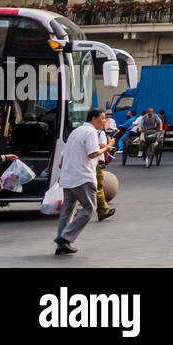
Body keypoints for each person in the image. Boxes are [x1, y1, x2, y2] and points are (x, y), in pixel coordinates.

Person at [52, 108, 114, 255]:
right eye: (103, 118)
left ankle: (62, 243)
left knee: (67, 211)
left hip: (68, 176)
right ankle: (65, 238)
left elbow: (63, 157)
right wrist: (107, 148)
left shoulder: (76, 131)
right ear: (93, 118)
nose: (104, 121)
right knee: (89, 209)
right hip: (83, 177)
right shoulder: (91, 132)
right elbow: (92, 153)